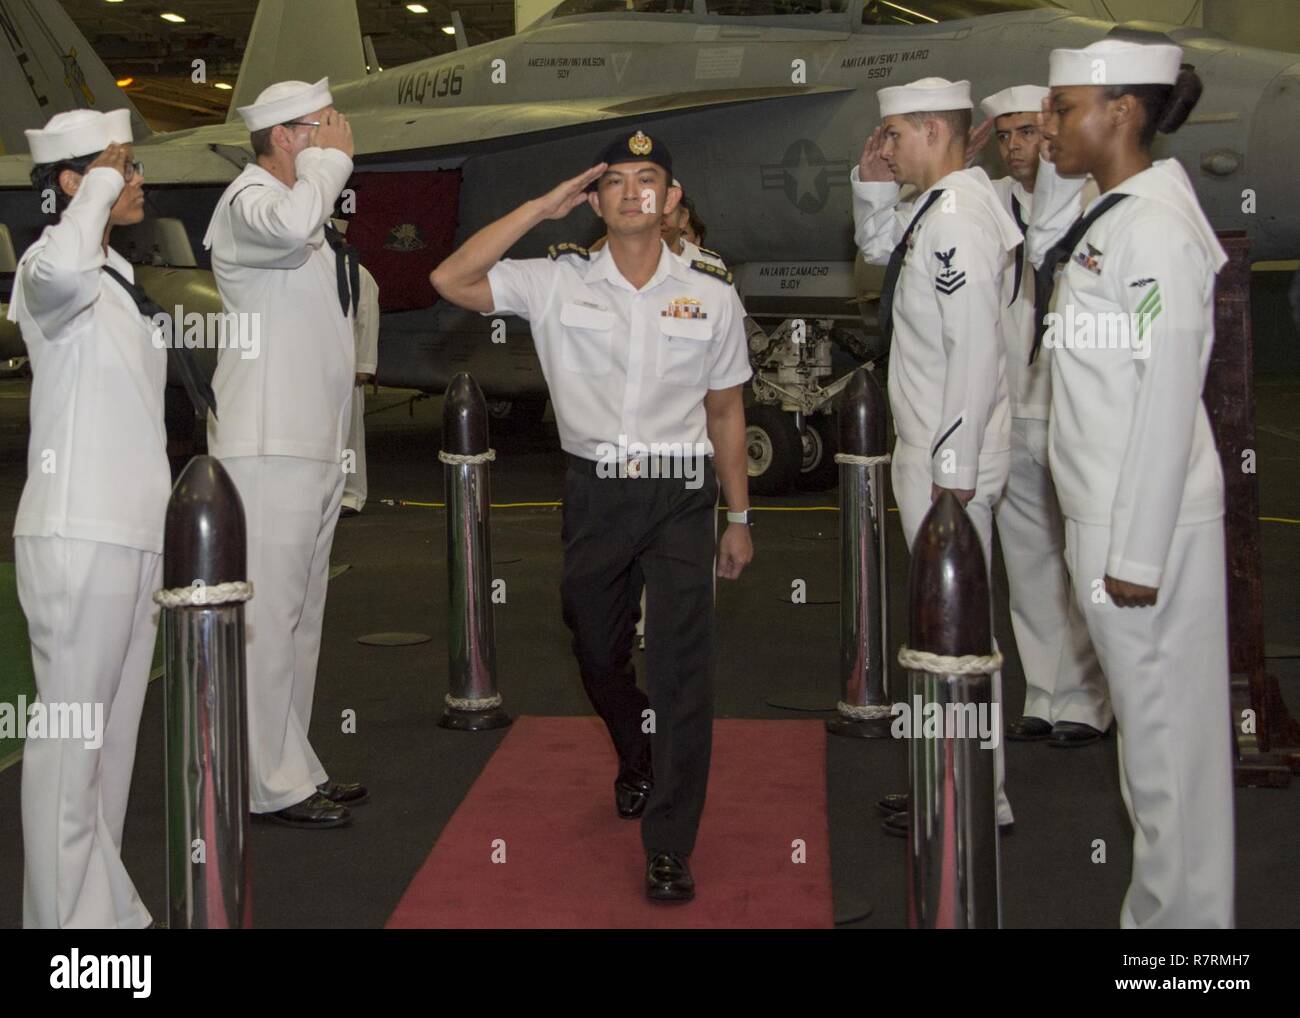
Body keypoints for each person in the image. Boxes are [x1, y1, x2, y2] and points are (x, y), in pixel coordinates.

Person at [431, 129, 754, 903]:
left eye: (648, 178)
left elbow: (726, 411)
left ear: (671, 199)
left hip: (680, 492)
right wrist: (538, 210)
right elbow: (450, 278)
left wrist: (740, 517)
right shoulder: (557, 280)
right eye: (615, 181)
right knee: (596, 648)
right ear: (595, 199)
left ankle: (669, 844)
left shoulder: (712, 291)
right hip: (596, 492)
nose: (633, 191)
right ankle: (635, 747)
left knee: (682, 669)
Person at [1029, 38, 1233, 928]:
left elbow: (1167, 389)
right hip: (1105, 517)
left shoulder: (1151, 230)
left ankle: (1184, 950)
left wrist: (1137, 555)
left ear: (1121, 112)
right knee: (1154, 757)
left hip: (1140, 529)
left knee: (1168, 757)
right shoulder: (1109, 215)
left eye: (1063, 107)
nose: (1048, 124)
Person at [11, 110, 169, 927]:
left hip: (131, 531)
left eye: (131, 167)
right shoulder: (50, 262)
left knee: (109, 748)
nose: (137, 179)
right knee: (71, 749)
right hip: (79, 530)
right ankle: (64, 931)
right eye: (120, 166)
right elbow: (63, 269)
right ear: (74, 182)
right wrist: (97, 188)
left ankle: (102, 917)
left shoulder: (113, 273)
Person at [850, 77, 1020, 834]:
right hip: (935, 445)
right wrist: (870, 185)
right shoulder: (941, 206)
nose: (884, 148)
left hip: (948, 455)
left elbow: (974, 348)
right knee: (941, 627)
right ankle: (953, 780)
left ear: (931, 130)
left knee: (958, 630)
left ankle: (973, 795)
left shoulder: (955, 218)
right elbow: (880, 248)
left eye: (892, 135)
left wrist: (953, 471)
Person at [204, 78, 367, 829]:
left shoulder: (302, 210)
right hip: (267, 444)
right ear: (282, 137)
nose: (336, 136)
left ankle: (288, 764)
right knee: (268, 619)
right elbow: (290, 226)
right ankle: (263, 781)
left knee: (300, 616)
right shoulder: (249, 201)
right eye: (320, 127)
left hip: (311, 443)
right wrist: (329, 166)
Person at [975, 85, 1112, 747]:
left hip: (1071, 405)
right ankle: (1043, 691)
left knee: (1085, 555)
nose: (1014, 147)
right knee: (1027, 560)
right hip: (1011, 403)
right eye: (1004, 136)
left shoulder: (1093, 201)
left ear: (1052, 131)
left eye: (1026, 131)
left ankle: (1088, 696)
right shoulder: (988, 202)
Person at [341, 255, 380, 517]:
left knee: (349, 435)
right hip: (311, 367)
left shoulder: (357, 273)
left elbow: (367, 318)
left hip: (346, 367)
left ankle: (350, 494)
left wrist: (364, 365)